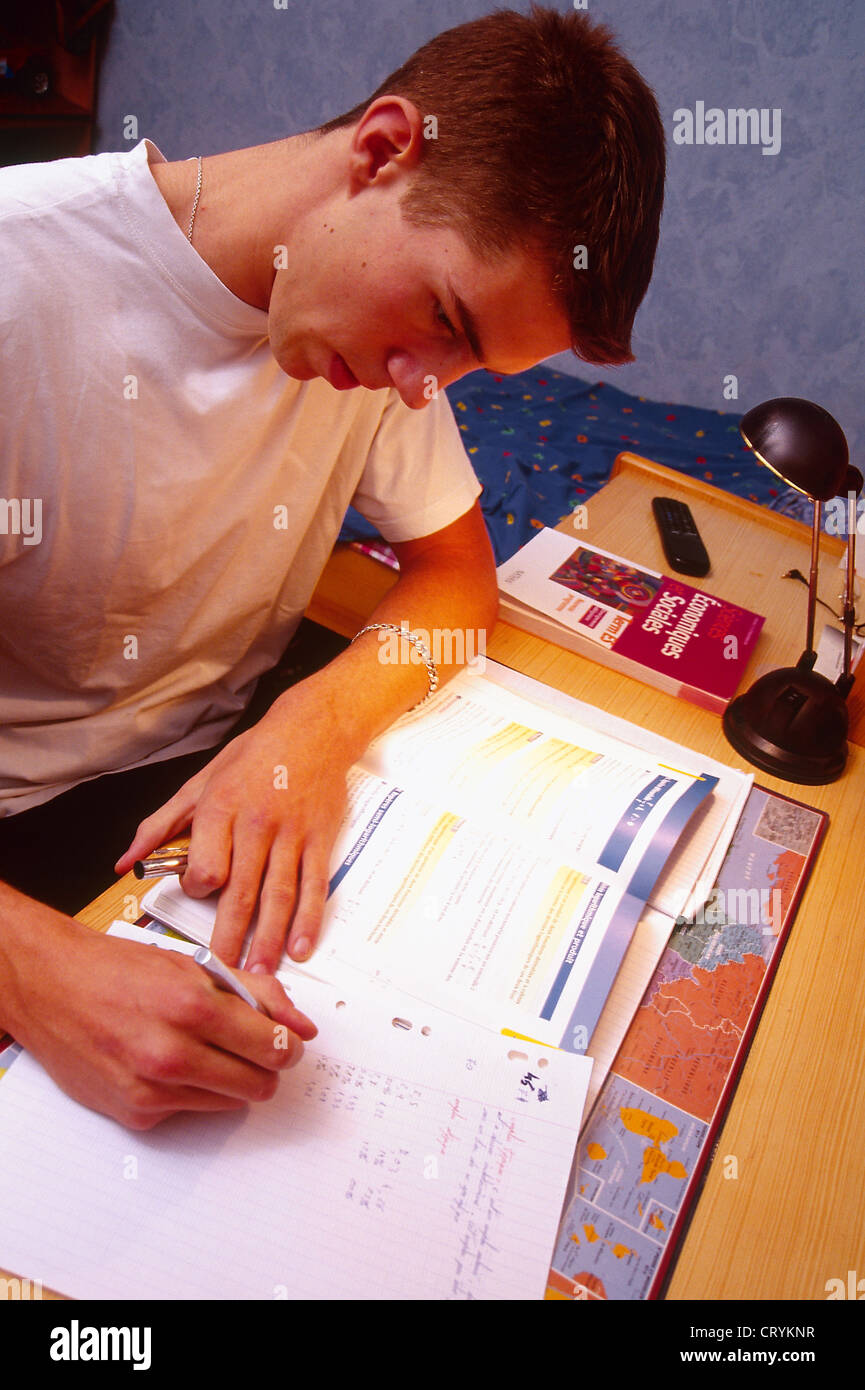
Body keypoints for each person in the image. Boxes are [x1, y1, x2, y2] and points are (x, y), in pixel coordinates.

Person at [0, 6, 665, 1127]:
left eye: (468, 361)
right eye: (445, 319)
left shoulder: (381, 347)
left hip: (220, 761)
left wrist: (316, 726)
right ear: (380, 151)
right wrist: (31, 971)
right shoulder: (23, 285)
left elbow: (457, 574)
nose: (423, 385)